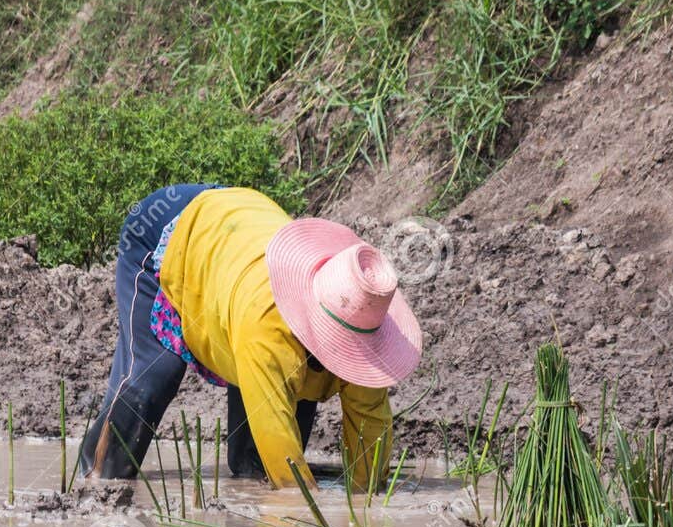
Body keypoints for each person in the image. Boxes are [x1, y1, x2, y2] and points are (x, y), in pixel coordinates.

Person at [78, 184, 422, 490]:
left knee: (256, 466)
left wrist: (362, 503)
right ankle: (93, 477)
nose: (346, 355)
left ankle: (247, 463)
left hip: (243, 237)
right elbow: (291, 487)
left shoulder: (362, 327)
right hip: (176, 231)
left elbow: (369, 434)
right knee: (153, 379)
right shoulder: (269, 328)